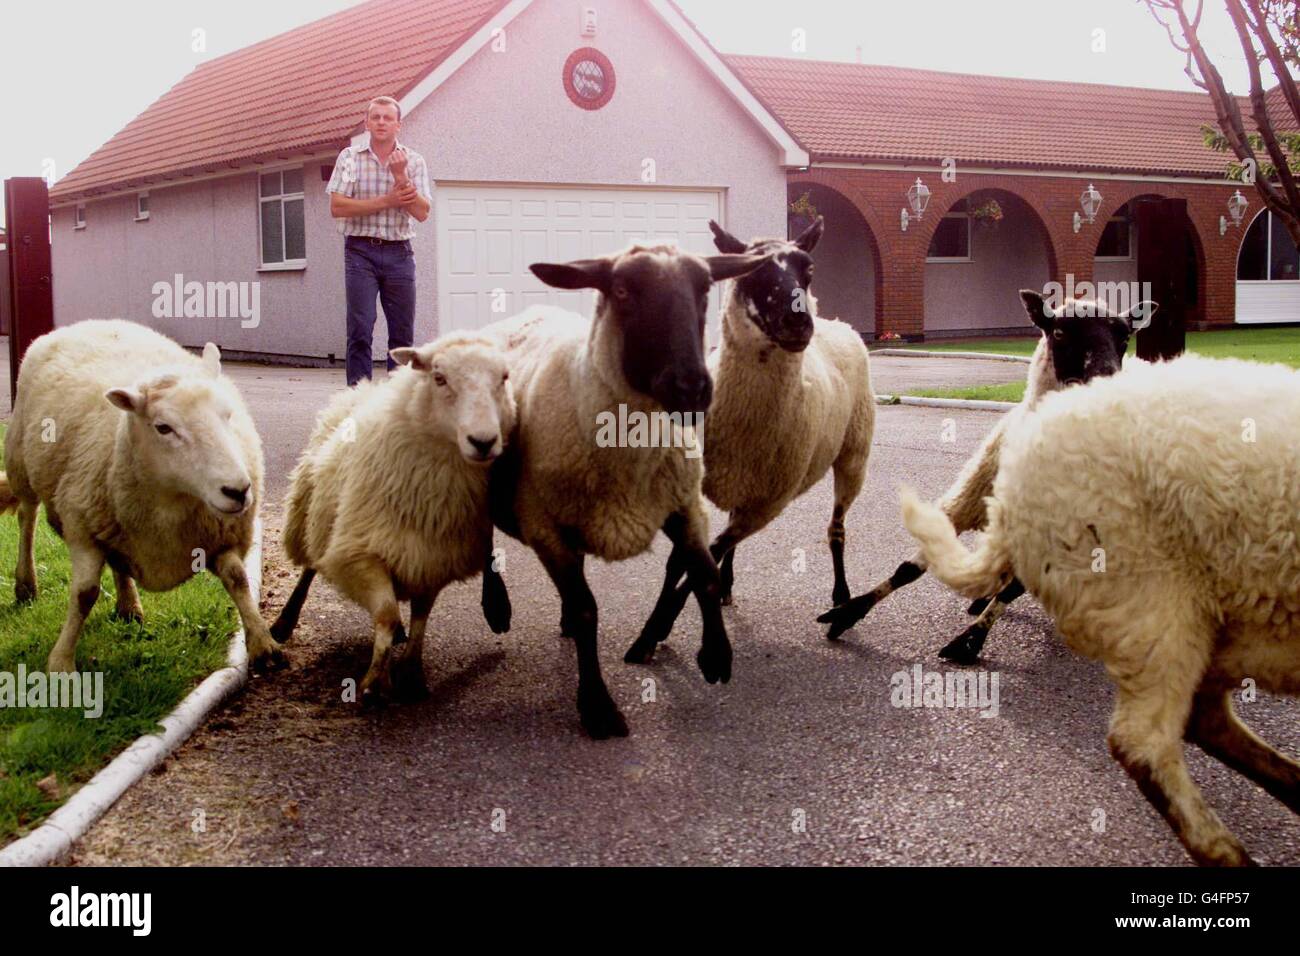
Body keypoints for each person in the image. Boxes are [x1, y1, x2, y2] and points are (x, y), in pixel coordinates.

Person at [326, 95, 432, 385]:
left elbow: (422, 212)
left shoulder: (414, 161)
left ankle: (398, 402)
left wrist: (400, 175)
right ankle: (357, 401)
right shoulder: (350, 158)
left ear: (399, 124)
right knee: (360, 329)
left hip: (399, 253)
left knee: (401, 335)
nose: (382, 122)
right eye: (376, 117)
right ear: (367, 123)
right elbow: (338, 207)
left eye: (388, 118)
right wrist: (388, 200)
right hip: (360, 252)